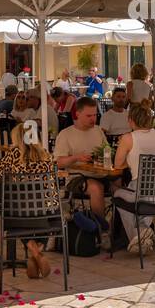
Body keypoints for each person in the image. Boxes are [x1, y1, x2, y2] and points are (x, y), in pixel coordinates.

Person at [0, 125, 59, 279]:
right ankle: (37, 253)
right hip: (48, 213)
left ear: (17, 139)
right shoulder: (46, 155)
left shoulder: (14, 154)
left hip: (19, 214)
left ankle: (34, 251)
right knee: (38, 212)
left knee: (17, 210)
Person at [111, 103, 155, 255]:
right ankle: (142, 233)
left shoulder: (128, 138)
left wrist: (129, 160)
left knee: (118, 195)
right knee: (136, 199)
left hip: (141, 189)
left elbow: (117, 164)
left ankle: (140, 234)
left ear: (130, 120)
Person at [54, 97, 109, 230]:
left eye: (95, 115)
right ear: (77, 114)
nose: (93, 119)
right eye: (89, 115)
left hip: (100, 173)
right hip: (76, 178)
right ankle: (101, 231)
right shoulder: (66, 134)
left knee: (120, 186)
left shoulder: (98, 131)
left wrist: (103, 156)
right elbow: (59, 163)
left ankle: (124, 231)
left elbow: (107, 152)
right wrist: (76, 157)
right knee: (96, 188)